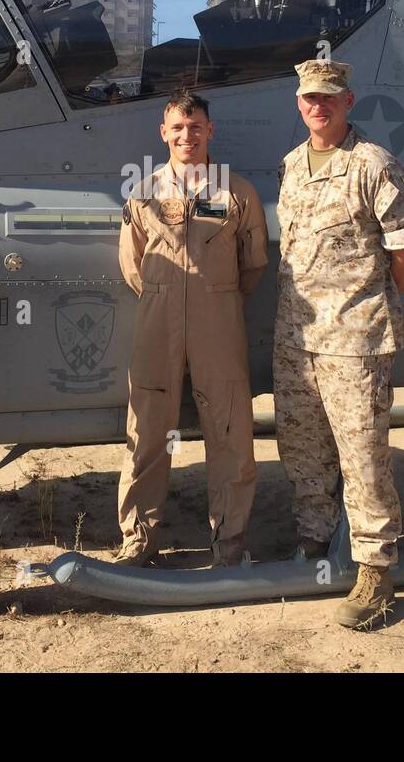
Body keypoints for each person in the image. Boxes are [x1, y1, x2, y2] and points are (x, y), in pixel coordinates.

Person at [274, 59, 404, 628]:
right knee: (303, 446)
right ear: (299, 104)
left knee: (363, 455)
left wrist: (363, 305)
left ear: (348, 102)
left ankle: (375, 570)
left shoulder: (373, 166)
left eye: (330, 98)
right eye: (311, 98)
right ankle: (314, 543)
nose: (320, 106)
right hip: (296, 339)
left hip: (355, 342)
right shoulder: (292, 165)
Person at [116, 90, 269, 567]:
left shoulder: (236, 192)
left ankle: (229, 544)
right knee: (146, 432)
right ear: (164, 134)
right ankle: (138, 540)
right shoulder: (142, 192)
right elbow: (132, 262)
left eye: (196, 126)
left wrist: (214, 298)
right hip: (157, 319)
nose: (187, 136)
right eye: (177, 128)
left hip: (218, 319)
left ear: (210, 130)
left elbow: (254, 264)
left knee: (230, 431)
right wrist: (166, 298)